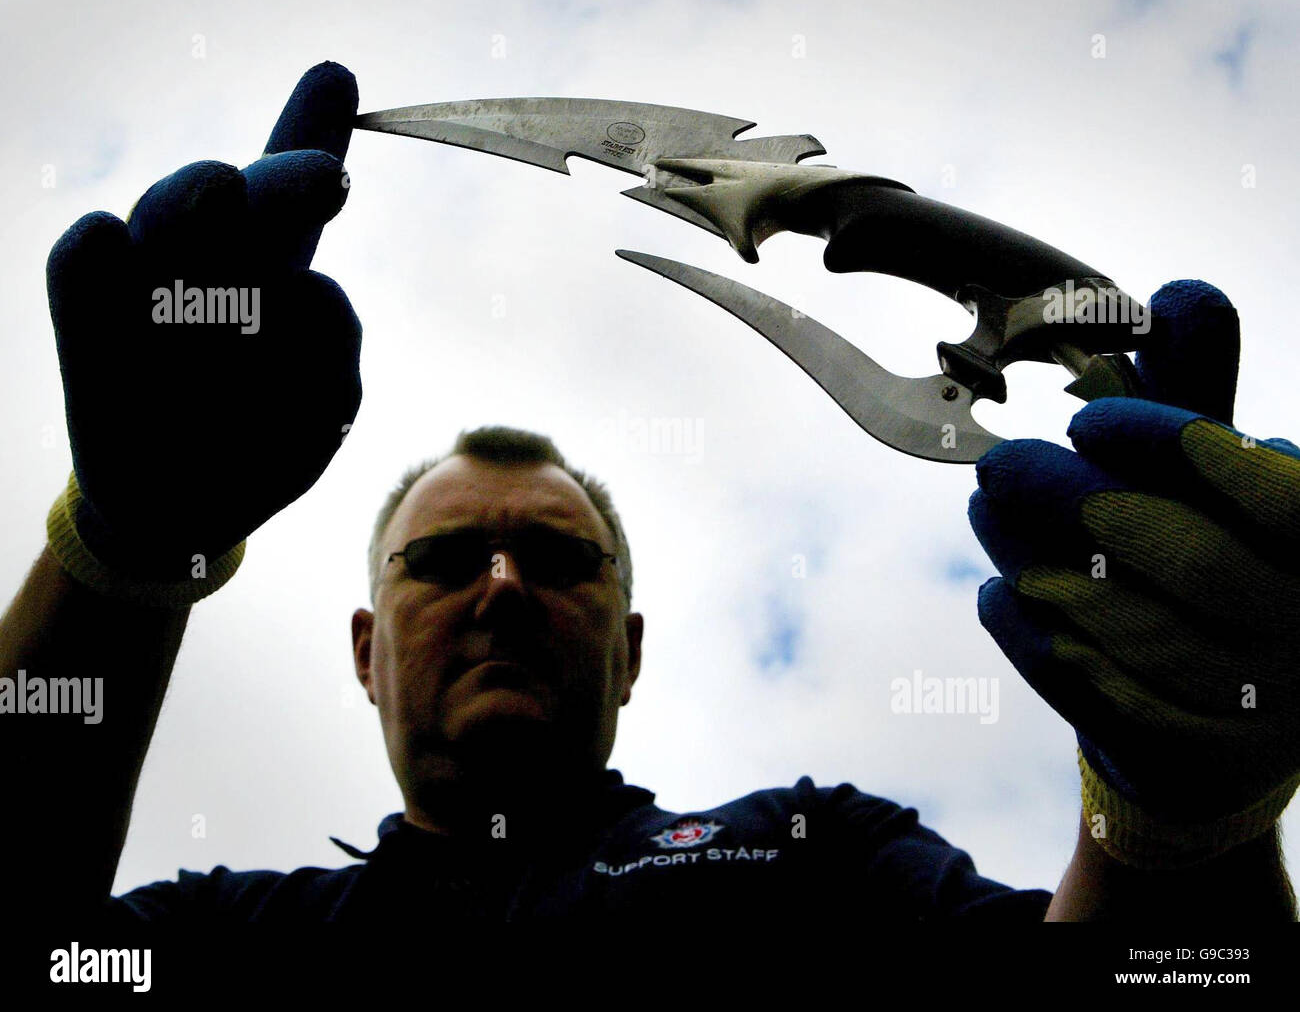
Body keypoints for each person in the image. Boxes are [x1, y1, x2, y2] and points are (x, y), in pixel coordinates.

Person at [3, 62, 1296, 927]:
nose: (503, 589)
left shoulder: (815, 867)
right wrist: (118, 567)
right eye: (443, 562)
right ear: (360, 651)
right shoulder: (226, 940)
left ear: (630, 648)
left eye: (560, 563)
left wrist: (1181, 828)